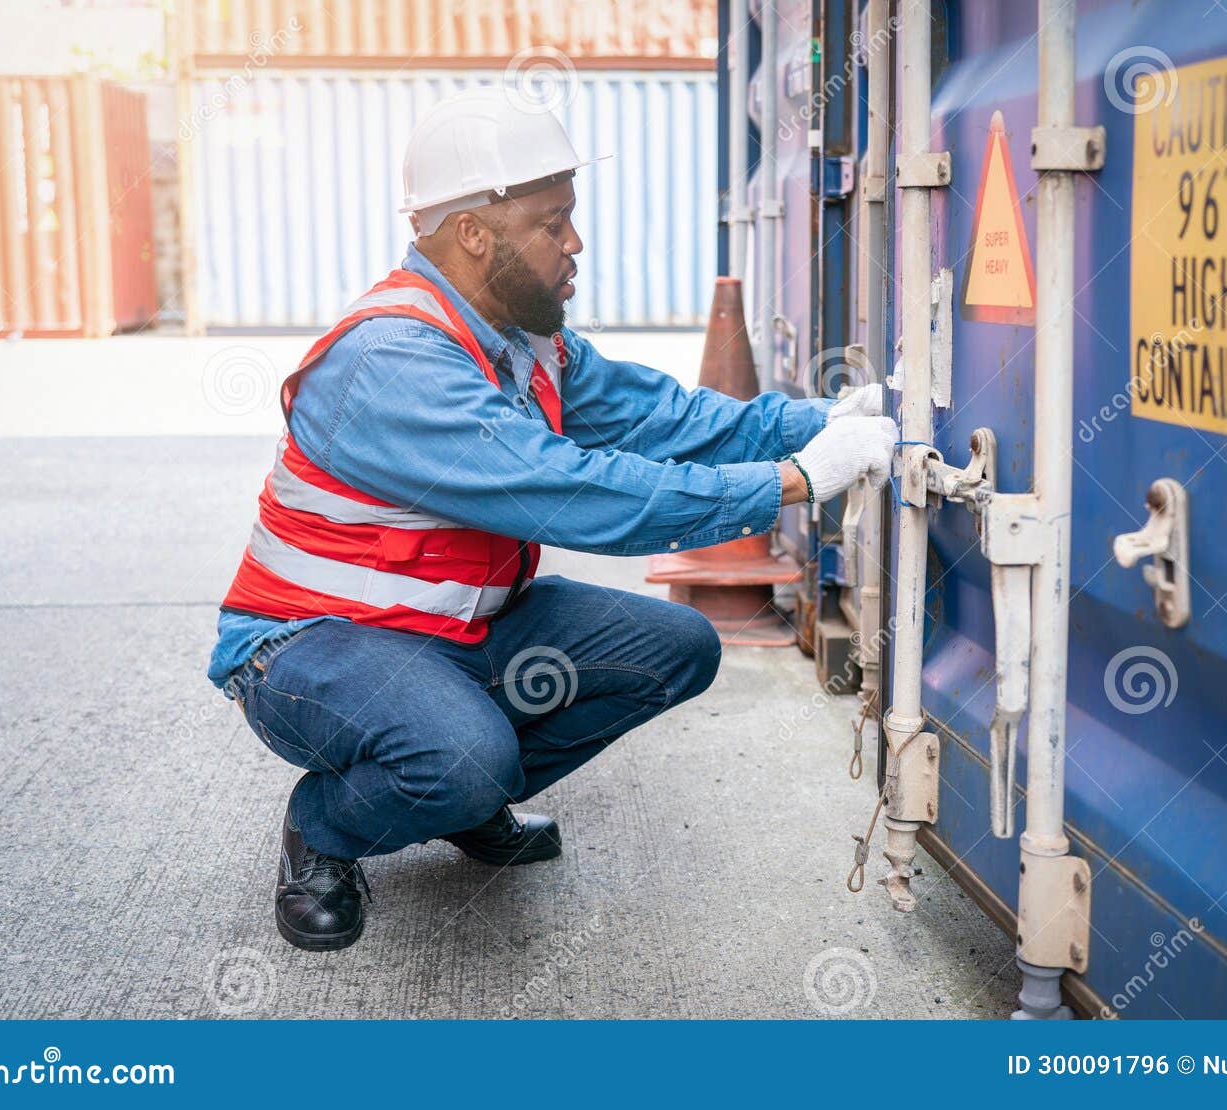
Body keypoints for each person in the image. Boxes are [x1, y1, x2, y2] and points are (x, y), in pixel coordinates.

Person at [207, 87, 896, 951]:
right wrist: (792, 484)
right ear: (474, 235)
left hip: (452, 633)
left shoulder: (522, 336)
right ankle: (331, 824)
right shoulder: (392, 362)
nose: (575, 243)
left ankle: (456, 799)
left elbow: (674, 421)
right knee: (461, 756)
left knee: (675, 650)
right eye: (553, 221)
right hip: (312, 645)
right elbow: (575, 493)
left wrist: (827, 421)